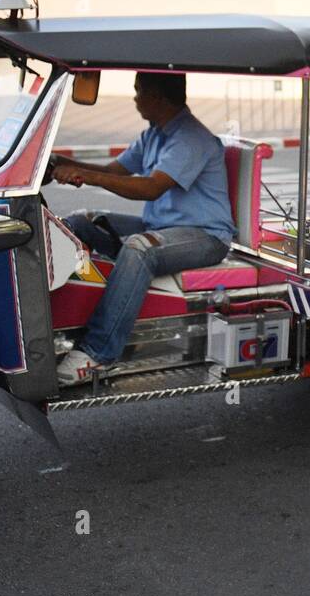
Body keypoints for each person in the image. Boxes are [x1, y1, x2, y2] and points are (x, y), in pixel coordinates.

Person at [53, 72, 235, 386]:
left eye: (139, 92)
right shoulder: (155, 133)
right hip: (163, 226)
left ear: (158, 98)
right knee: (81, 222)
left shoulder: (190, 139)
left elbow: (150, 188)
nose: (134, 99)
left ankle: (98, 353)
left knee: (140, 247)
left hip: (205, 236)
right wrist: (59, 162)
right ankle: (66, 317)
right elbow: (114, 171)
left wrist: (85, 176)